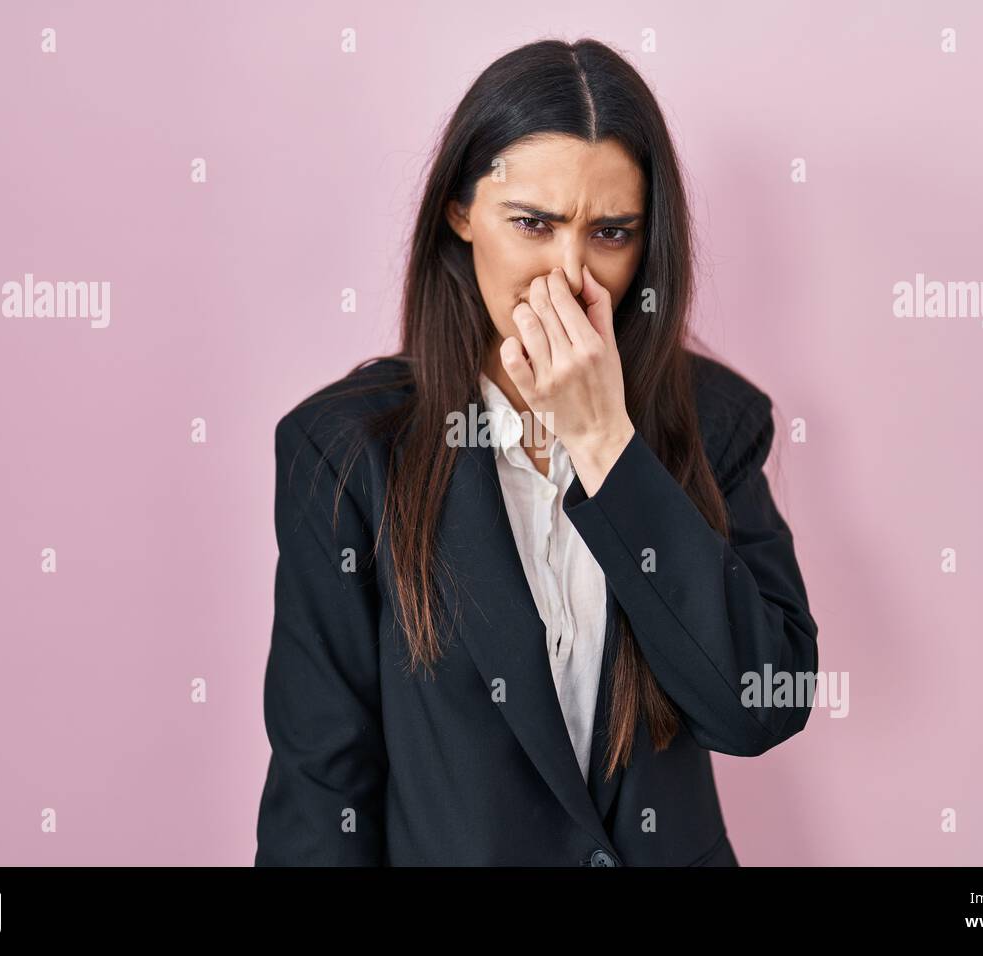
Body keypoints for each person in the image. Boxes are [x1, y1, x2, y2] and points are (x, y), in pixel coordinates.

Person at [254, 37, 819, 867]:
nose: (569, 273)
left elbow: (759, 704)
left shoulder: (718, 421)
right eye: (532, 223)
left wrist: (604, 443)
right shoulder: (346, 452)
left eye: (611, 233)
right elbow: (321, 790)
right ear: (460, 212)